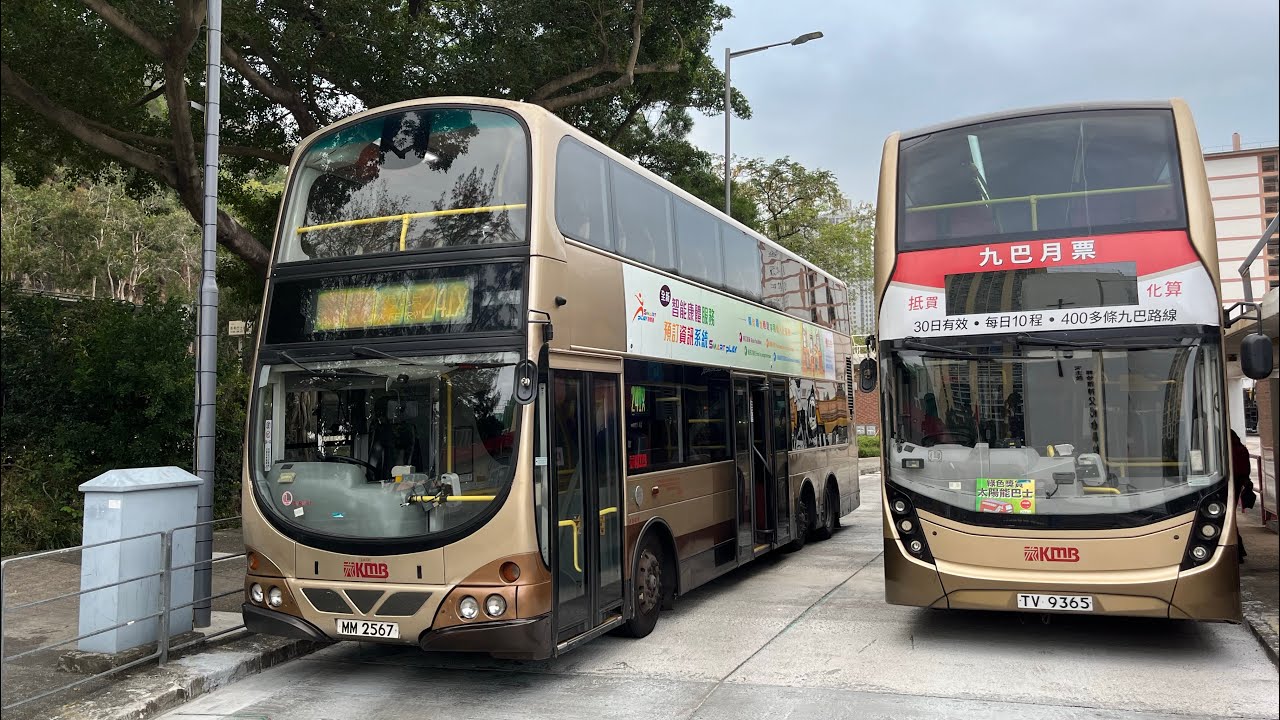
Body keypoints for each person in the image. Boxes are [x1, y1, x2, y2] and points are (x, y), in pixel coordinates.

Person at [1229, 430, 1255, 561]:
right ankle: (1239, 551)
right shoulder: (1242, 449)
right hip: (1238, 483)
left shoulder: (1230, 451)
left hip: (1230, 485)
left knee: (1229, 519)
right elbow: (1245, 470)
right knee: (1231, 518)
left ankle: (1238, 551)